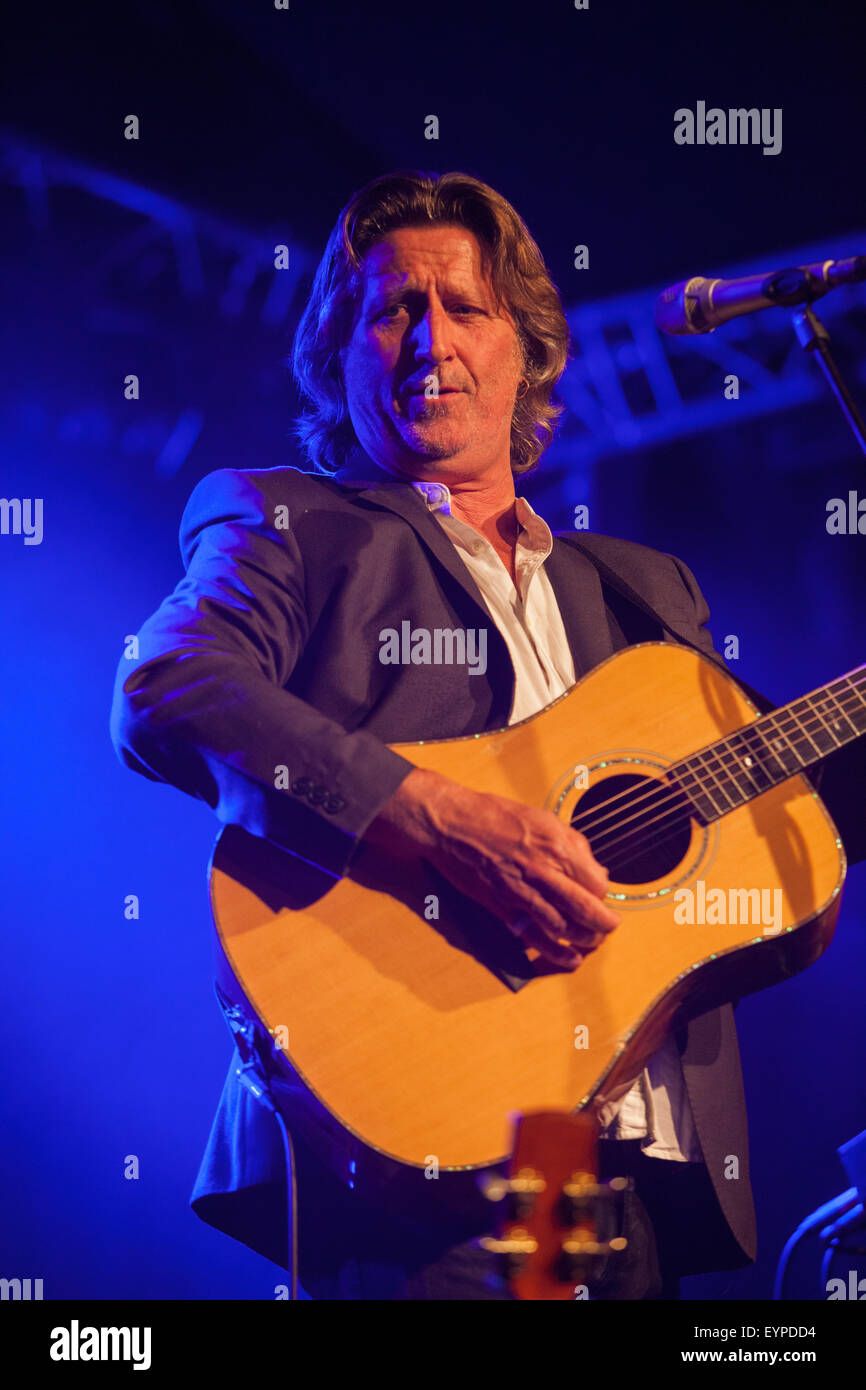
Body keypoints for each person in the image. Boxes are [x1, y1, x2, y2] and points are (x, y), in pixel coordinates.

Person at [110, 170, 864, 1300]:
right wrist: (429, 818)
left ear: (529, 352)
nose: (430, 341)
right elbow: (167, 686)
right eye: (390, 311)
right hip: (428, 1153)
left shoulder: (643, 589)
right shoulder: (286, 521)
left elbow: (784, 808)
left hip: (633, 1179)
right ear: (339, 356)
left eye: (464, 307)